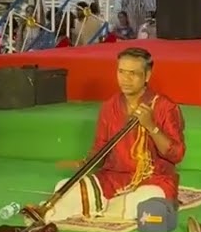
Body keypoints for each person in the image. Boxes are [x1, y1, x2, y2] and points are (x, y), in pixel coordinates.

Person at [46, 47, 185, 223]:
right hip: (113, 179)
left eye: (133, 73)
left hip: (153, 180)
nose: (125, 79)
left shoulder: (165, 107)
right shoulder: (109, 107)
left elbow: (176, 154)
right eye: (121, 72)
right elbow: (100, 150)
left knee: (146, 202)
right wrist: (86, 163)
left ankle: (103, 206)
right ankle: (104, 206)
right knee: (64, 188)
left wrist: (151, 126)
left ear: (147, 76)